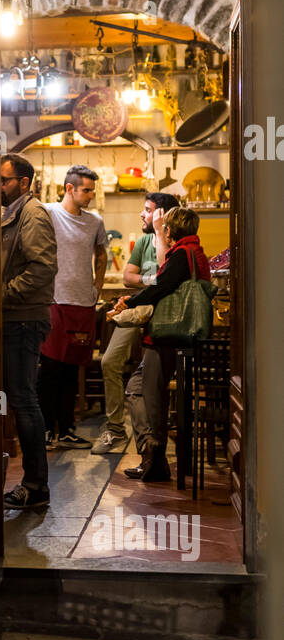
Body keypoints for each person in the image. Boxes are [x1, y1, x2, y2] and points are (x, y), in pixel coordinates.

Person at [110, 206, 211, 482]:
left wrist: (129, 300)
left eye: (165, 227)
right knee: (145, 390)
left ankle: (152, 455)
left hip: (167, 336)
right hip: (183, 336)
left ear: (171, 230)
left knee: (146, 393)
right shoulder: (196, 252)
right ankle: (153, 456)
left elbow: (160, 286)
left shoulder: (181, 254)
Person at [91, 191, 178, 455]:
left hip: (165, 316)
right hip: (137, 309)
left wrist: (153, 279)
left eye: (148, 209)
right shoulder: (142, 242)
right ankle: (115, 428)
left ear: (162, 215)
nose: (142, 214)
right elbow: (129, 276)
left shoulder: (177, 244)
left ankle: (155, 434)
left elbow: (169, 274)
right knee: (109, 361)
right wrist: (152, 282)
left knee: (154, 375)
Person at [0, 154, 58, 511]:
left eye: (5, 181)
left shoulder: (32, 214)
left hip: (22, 319)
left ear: (24, 183)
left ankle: (36, 485)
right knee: (20, 399)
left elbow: (42, 268)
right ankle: (32, 483)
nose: (0, 187)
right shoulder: (14, 213)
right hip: (15, 317)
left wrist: (1, 294)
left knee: (24, 400)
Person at [37, 166, 108, 452]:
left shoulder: (95, 222)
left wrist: (97, 288)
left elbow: (101, 254)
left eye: (93, 190)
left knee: (71, 369)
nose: (91, 195)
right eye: (87, 190)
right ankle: (44, 430)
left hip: (83, 302)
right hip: (53, 300)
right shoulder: (48, 213)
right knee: (50, 367)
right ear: (70, 188)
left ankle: (66, 429)